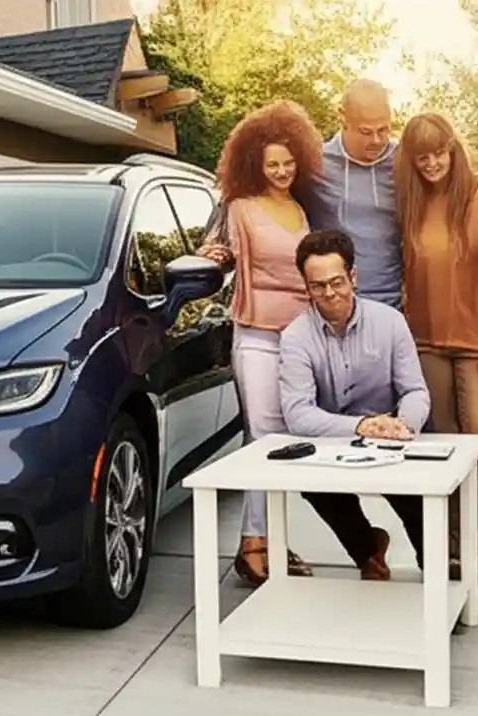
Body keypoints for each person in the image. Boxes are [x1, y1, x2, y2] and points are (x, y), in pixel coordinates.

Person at [195, 101, 324, 585]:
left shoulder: (298, 208)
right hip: (256, 336)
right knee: (263, 438)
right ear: (255, 163)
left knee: (285, 441)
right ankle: (254, 546)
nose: (282, 171)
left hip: (301, 339)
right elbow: (221, 252)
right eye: (272, 163)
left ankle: (268, 540)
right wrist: (214, 256)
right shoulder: (241, 207)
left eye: (289, 162)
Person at [395, 112, 478, 607]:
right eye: (423, 157)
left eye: (440, 152)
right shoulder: (410, 200)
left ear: (453, 149)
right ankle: (452, 559)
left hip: (474, 343)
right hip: (425, 343)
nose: (434, 163)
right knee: (440, 453)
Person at [278, 229, 430, 579]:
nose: (329, 293)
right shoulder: (295, 337)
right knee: (316, 485)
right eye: (317, 286)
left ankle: (438, 574)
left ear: (353, 277)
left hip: (392, 437)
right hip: (334, 440)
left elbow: (415, 391)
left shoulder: (390, 321)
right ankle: (367, 553)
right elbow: (298, 413)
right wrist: (360, 426)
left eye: (336, 282)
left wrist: (403, 426)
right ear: (306, 286)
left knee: (417, 497)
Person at [298, 78, 402, 309]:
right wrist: (218, 240)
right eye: (366, 131)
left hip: (394, 305)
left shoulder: (404, 160)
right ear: (342, 118)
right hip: (334, 305)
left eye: (383, 130)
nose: (377, 140)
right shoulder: (315, 163)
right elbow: (256, 191)